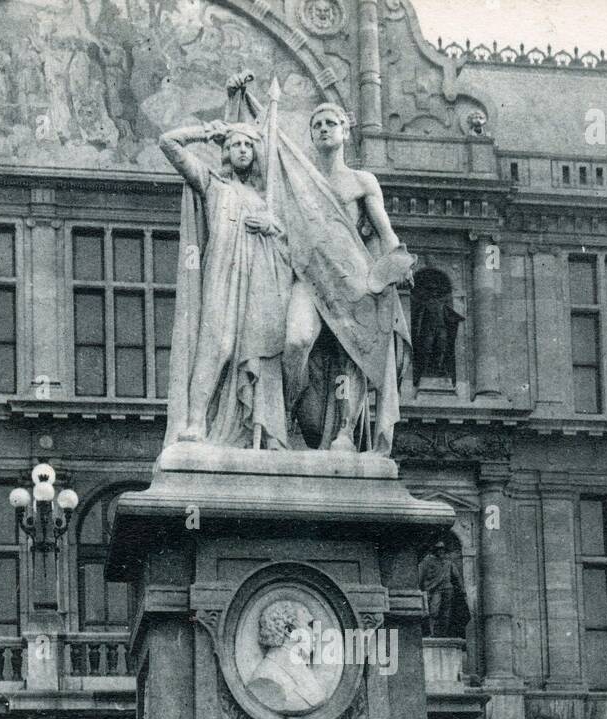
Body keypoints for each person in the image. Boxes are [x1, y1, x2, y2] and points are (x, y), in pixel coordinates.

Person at [282, 102, 413, 453]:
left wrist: (398, 262)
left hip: (353, 281)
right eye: (317, 125)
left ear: (344, 131)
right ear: (311, 135)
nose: (324, 129)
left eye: (331, 123)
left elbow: (384, 231)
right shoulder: (301, 181)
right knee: (296, 339)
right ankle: (287, 407)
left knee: (354, 352)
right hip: (310, 278)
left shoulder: (361, 181)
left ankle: (344, 430)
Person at [159, 117, 292, 449]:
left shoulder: (270, 200)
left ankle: (263, 430)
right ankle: (195, 421)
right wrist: (208, 131)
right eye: (236, 144)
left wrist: (273, 228)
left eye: (249, 145)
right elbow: (168, 143)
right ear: (226, 151)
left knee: (259, 354)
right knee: (217, 345)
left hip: (260, 281)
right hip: (222, 273)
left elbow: (294, 253)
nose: (243, 150)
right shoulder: (213, 184)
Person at [246, 600, 327, 713]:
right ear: (289, 630)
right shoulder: (266, 676)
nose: (314, 634)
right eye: (309, 626)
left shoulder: (301, 668)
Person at [418, 539, 471, 638]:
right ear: (435, 550)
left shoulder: (448, 562)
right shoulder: (428, 561)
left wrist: (462, 589)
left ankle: (444, 633)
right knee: (434, 611)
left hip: (448, 589)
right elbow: (421, 574)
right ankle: (432, 632)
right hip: (435, 590)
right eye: (438, 549)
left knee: (446, 613)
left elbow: (457, 576)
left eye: (442, 549)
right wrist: (421, 587)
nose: (441, 551)